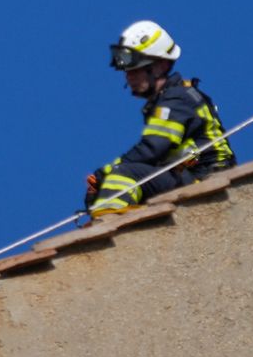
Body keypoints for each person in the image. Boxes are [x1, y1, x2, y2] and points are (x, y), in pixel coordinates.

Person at [84, 20, 236, 214]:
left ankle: (110, 229)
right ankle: (109, 221)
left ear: (161, 65)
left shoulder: (177, 98)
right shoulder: (167, 100)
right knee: (121, 183)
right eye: (127, 71)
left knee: (122, 175)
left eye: (136, 69)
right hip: (189, 180)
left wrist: (104, 173)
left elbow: (152, 149)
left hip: (207, 181)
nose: (129, 76)